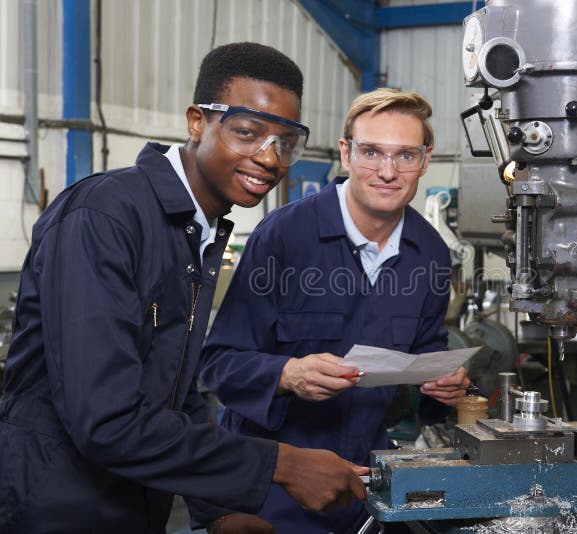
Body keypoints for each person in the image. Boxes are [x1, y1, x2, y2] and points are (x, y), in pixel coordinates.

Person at [0, 42, 367, 534]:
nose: (269, 158)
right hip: (56, 510)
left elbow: (171, 392)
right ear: (198, 121)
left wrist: (216, 509)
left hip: (132, 506)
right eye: (247, 133)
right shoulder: (107, 217)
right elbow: (105, 420)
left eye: (285, 142)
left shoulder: (196, 231)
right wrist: (283, 464)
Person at [193, 88, 471, 533]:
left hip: (364, 489)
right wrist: (289, 375)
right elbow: (219, 364)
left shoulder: (431, 254)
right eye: (371, 152)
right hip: (272, 489)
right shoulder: (284, 236)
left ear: (425, 159)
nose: (387, 171)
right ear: (346, 152)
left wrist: (442, 385)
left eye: (405, 155)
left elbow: (422, 361)